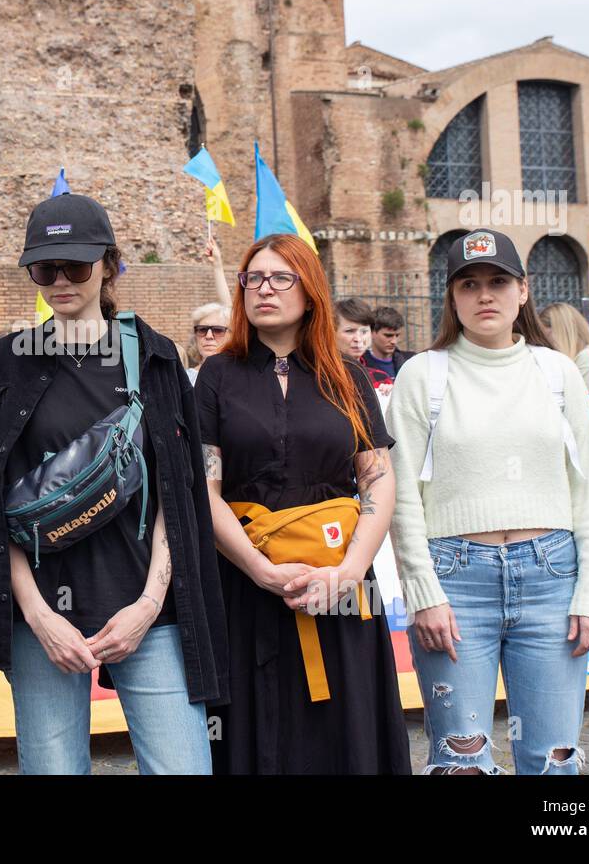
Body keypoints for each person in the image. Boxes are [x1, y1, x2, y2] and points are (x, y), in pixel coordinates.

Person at [0, 191, 229, 775]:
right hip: (42, 611)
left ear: (110, 264)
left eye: (77, 265)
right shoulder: (6, 361)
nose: (61, 280)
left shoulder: (156, 356)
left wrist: (148, 604)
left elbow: (180, 490)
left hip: (150, 607)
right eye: (46, 268)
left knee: (183, 766)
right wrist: (40, 616)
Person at [385, 229, 589, 775]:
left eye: (498, 282)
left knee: (553, 758)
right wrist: (423, 592)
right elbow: (402, 498)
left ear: (523, 291)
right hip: (456, 581)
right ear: (453, 298)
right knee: (462, 758)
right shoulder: (422, 375)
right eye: (469, 284)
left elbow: (587, 492)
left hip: (551, 577)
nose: (485, 295)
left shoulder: (557, 373)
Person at [196, 233, 410, 774]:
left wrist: (351, 571)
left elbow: (378, 480)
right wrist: (262, 570)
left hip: (340, 583)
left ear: (309, 289)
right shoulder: (217, 376)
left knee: (345, 729)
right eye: (253, 278)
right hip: (246, 584)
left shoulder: (349, 376)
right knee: (256, 725)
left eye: (280, 278)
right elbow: (205, 487)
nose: (264, 289)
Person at [335, 297, 393, 389]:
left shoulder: (380, 379)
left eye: (364, 331)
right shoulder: (319, 375)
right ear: (331, 333)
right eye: (350, 331)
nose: (358, 339)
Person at [540, 302, 589, 392]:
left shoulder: (586, 357)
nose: (545, 343)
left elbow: (587, 401)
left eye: (547, 336)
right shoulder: (584, 355)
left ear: (560, 331)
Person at [365, 305, 415, 381]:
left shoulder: (410, 361)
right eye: (388, 335)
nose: (394, 341)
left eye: (397, 335)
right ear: (372, 332)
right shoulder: (361, 363)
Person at [186, 302, 230, 386]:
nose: (208, 336)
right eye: (202, 329)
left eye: (218, 330)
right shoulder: (185, 379)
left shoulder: (242, 375)